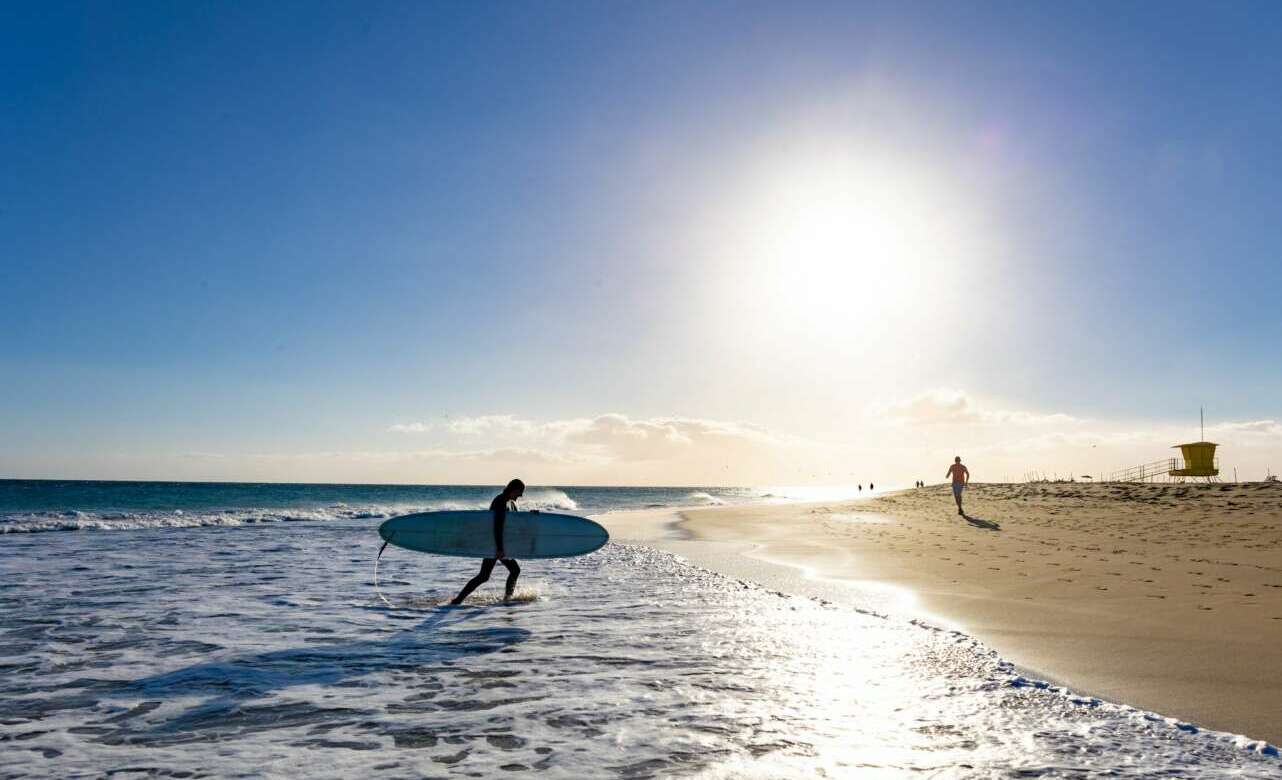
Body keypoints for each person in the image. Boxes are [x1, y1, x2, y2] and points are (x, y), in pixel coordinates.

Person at [450, 479, 524, 605]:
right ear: (513, 490)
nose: (521, 495)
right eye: (520, 492)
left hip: (499, 543)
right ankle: (506, 599)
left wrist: (533, 517)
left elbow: (517, 520)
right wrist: (499, 548)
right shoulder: (500, 501)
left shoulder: (510, 502)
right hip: (494, 543)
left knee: (487, 575)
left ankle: (458, 600)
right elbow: (497, 526)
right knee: (490, 575)